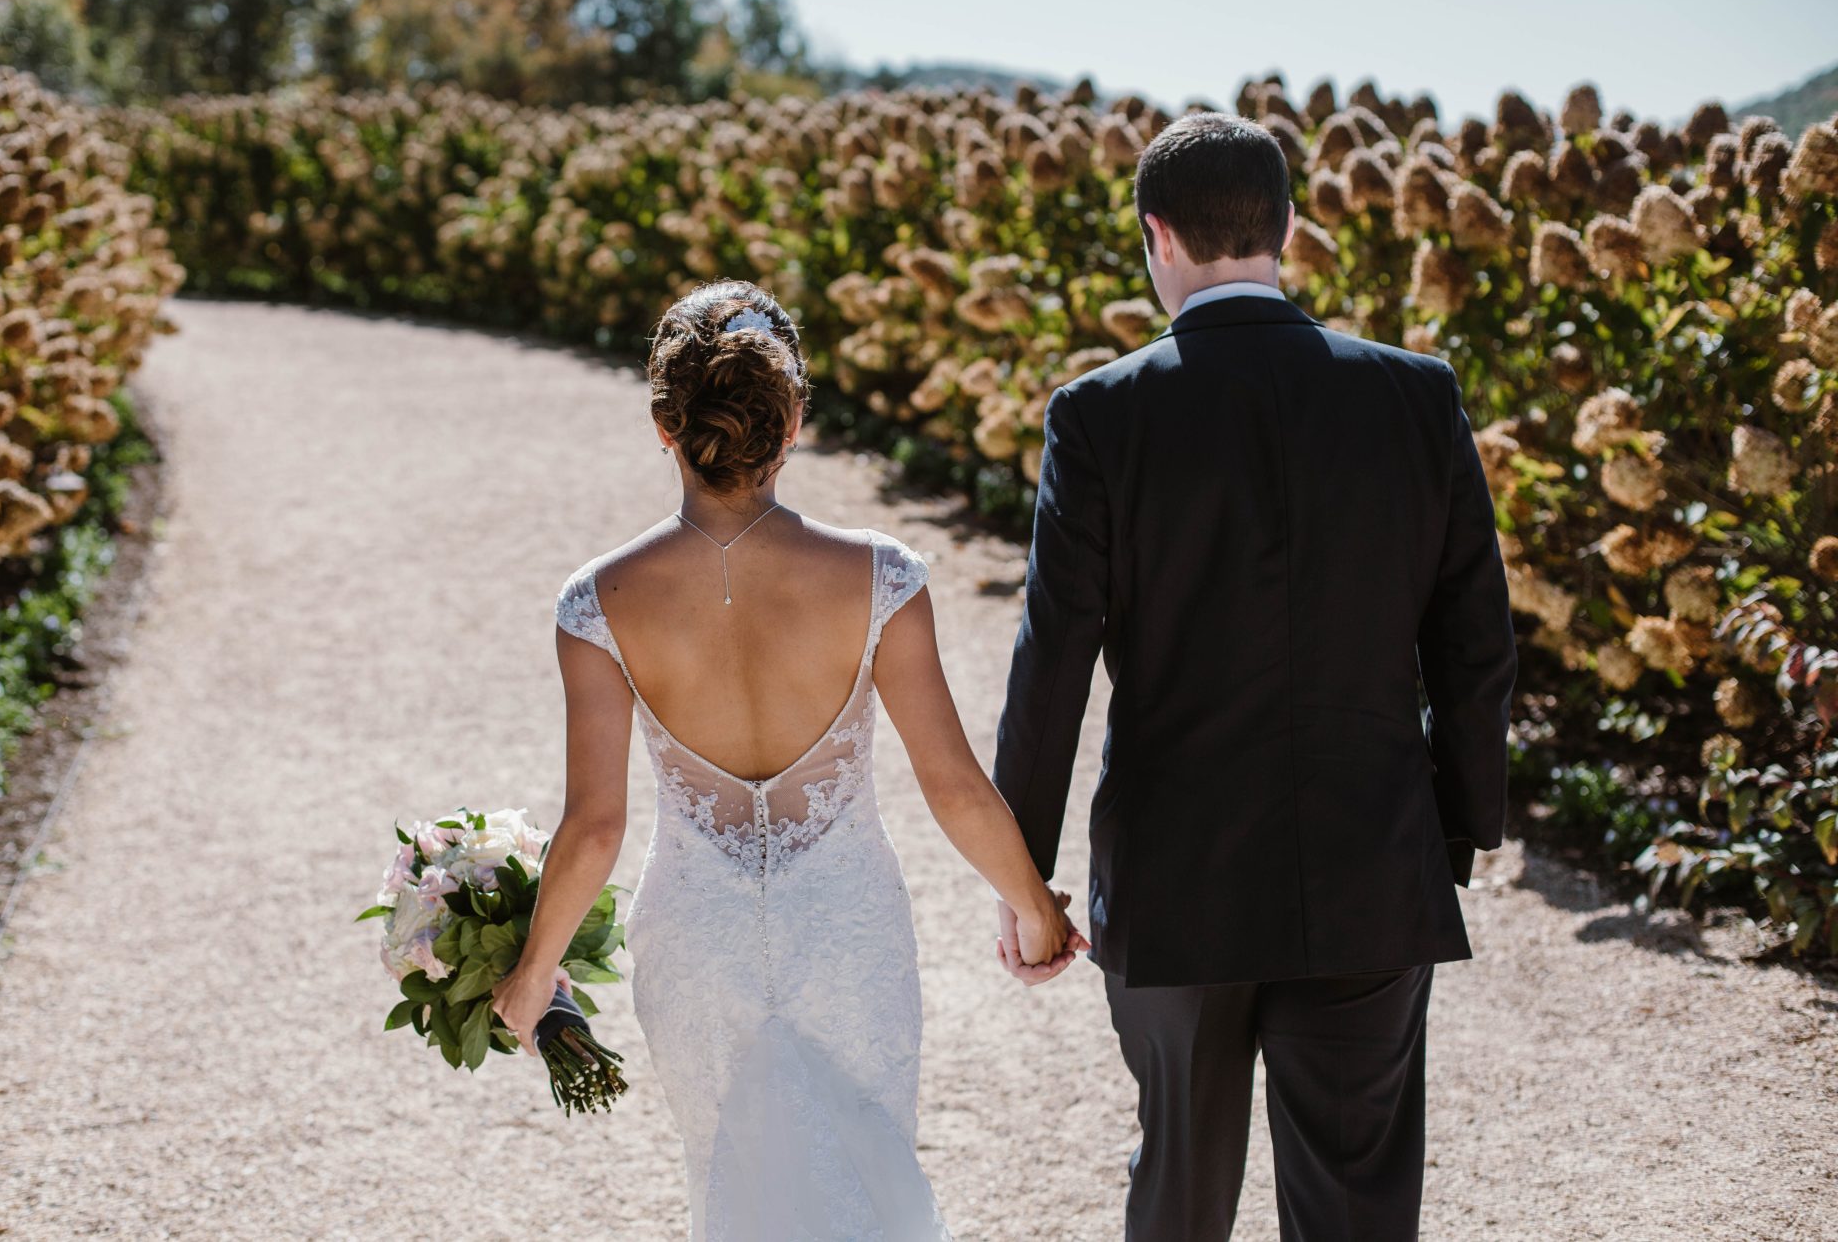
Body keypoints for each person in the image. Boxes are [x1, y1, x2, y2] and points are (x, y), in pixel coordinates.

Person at [993, 113, 1517, 1241]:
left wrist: (1021, 875)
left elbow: (1053, 660)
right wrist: (1461, 826)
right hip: (1372, 860)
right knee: (1354, 1199)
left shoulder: (1096, 414)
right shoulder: (1414, 395)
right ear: (1285, 228)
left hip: (1174, 875)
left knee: (1177, 1189)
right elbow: (1474, 634)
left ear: (1155, 236)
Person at [491, 279, 1084, 1241]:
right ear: (795, 416)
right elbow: (955, 786)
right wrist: (1037, 909)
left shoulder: (597, 601)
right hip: (848, 934)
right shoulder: (882, 576)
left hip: (697, 944)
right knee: (867, 1177)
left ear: (664, 425)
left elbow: (596, 825)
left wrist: (533, 969)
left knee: (733, 1184)